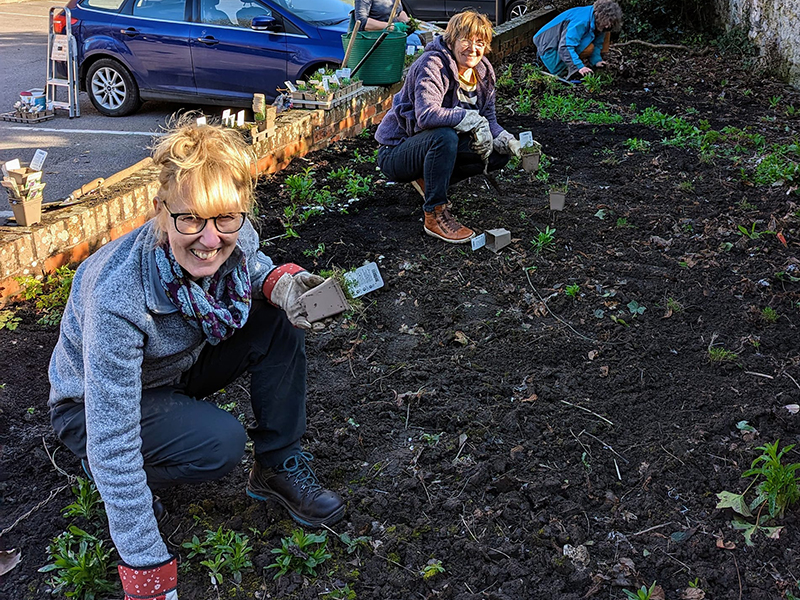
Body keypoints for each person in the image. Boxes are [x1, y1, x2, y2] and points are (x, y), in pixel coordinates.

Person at [48, 118, 344, 600]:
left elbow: (251, 263)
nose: (211, 239)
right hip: (91, 410)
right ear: (160, 212)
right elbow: (114, 435)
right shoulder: (119, 297)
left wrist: (281, 285)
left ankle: (278, 466)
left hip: (174, 372)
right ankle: (98, 472)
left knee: (279, 318)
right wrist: (147, 571)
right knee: (219, 445)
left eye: (226, 219)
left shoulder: (230, 228)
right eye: (190, 220)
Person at [375, 10, 522, 243]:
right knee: (444, 136)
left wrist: (509, 140)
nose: (473, 48)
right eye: (466, 40)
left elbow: (489, 119)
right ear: (452, 40)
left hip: (431, 149)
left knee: (497, 154)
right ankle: (434, 214)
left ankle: (430, 180)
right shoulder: (433, 64)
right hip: (397, 151)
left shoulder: (484, 72)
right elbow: (426, 115)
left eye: (480, 43)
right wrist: (471, 119)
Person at [533, 0, 623, 80]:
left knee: (604, 34)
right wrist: (579, 67)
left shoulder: (597, 21)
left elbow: (598, 43)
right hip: (548, 49)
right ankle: (565, 66)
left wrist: (597, 61)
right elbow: (565, 46)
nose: (607, 27)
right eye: (606, 24)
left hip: (557, 45)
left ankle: (574, 63)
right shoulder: (581, 21)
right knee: (588, 48)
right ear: (601, 16)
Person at [353, 0, 422, 48]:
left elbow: (399, 12)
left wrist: (407, 23)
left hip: (391, 41)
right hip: (370, 43)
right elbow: (363, 23)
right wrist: (392, 27)